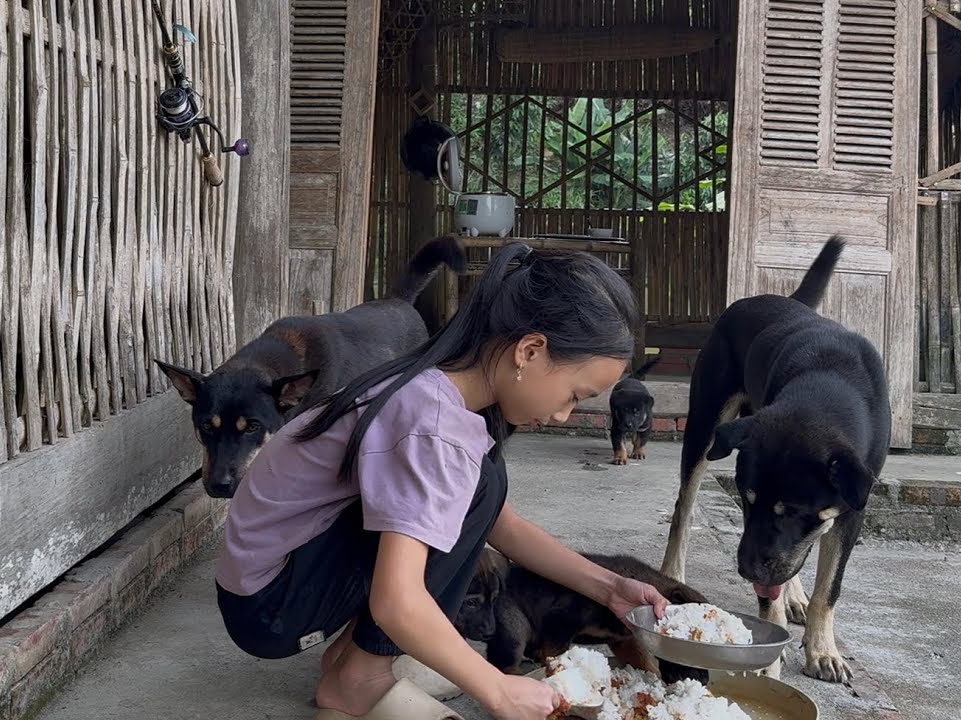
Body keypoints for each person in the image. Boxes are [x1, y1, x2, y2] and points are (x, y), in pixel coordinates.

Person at [214, 241, 669, 720]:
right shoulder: (434, 425)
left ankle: (357, 657)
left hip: (282, 577)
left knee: (480, 485)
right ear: (530, 350)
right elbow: (396, 600)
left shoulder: (438, 389)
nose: (563, 415)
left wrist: (610, 587)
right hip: (271, 603)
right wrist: (497, 688)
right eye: (575, 395)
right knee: (471, 486)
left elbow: (501, 525)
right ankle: (359, 679)